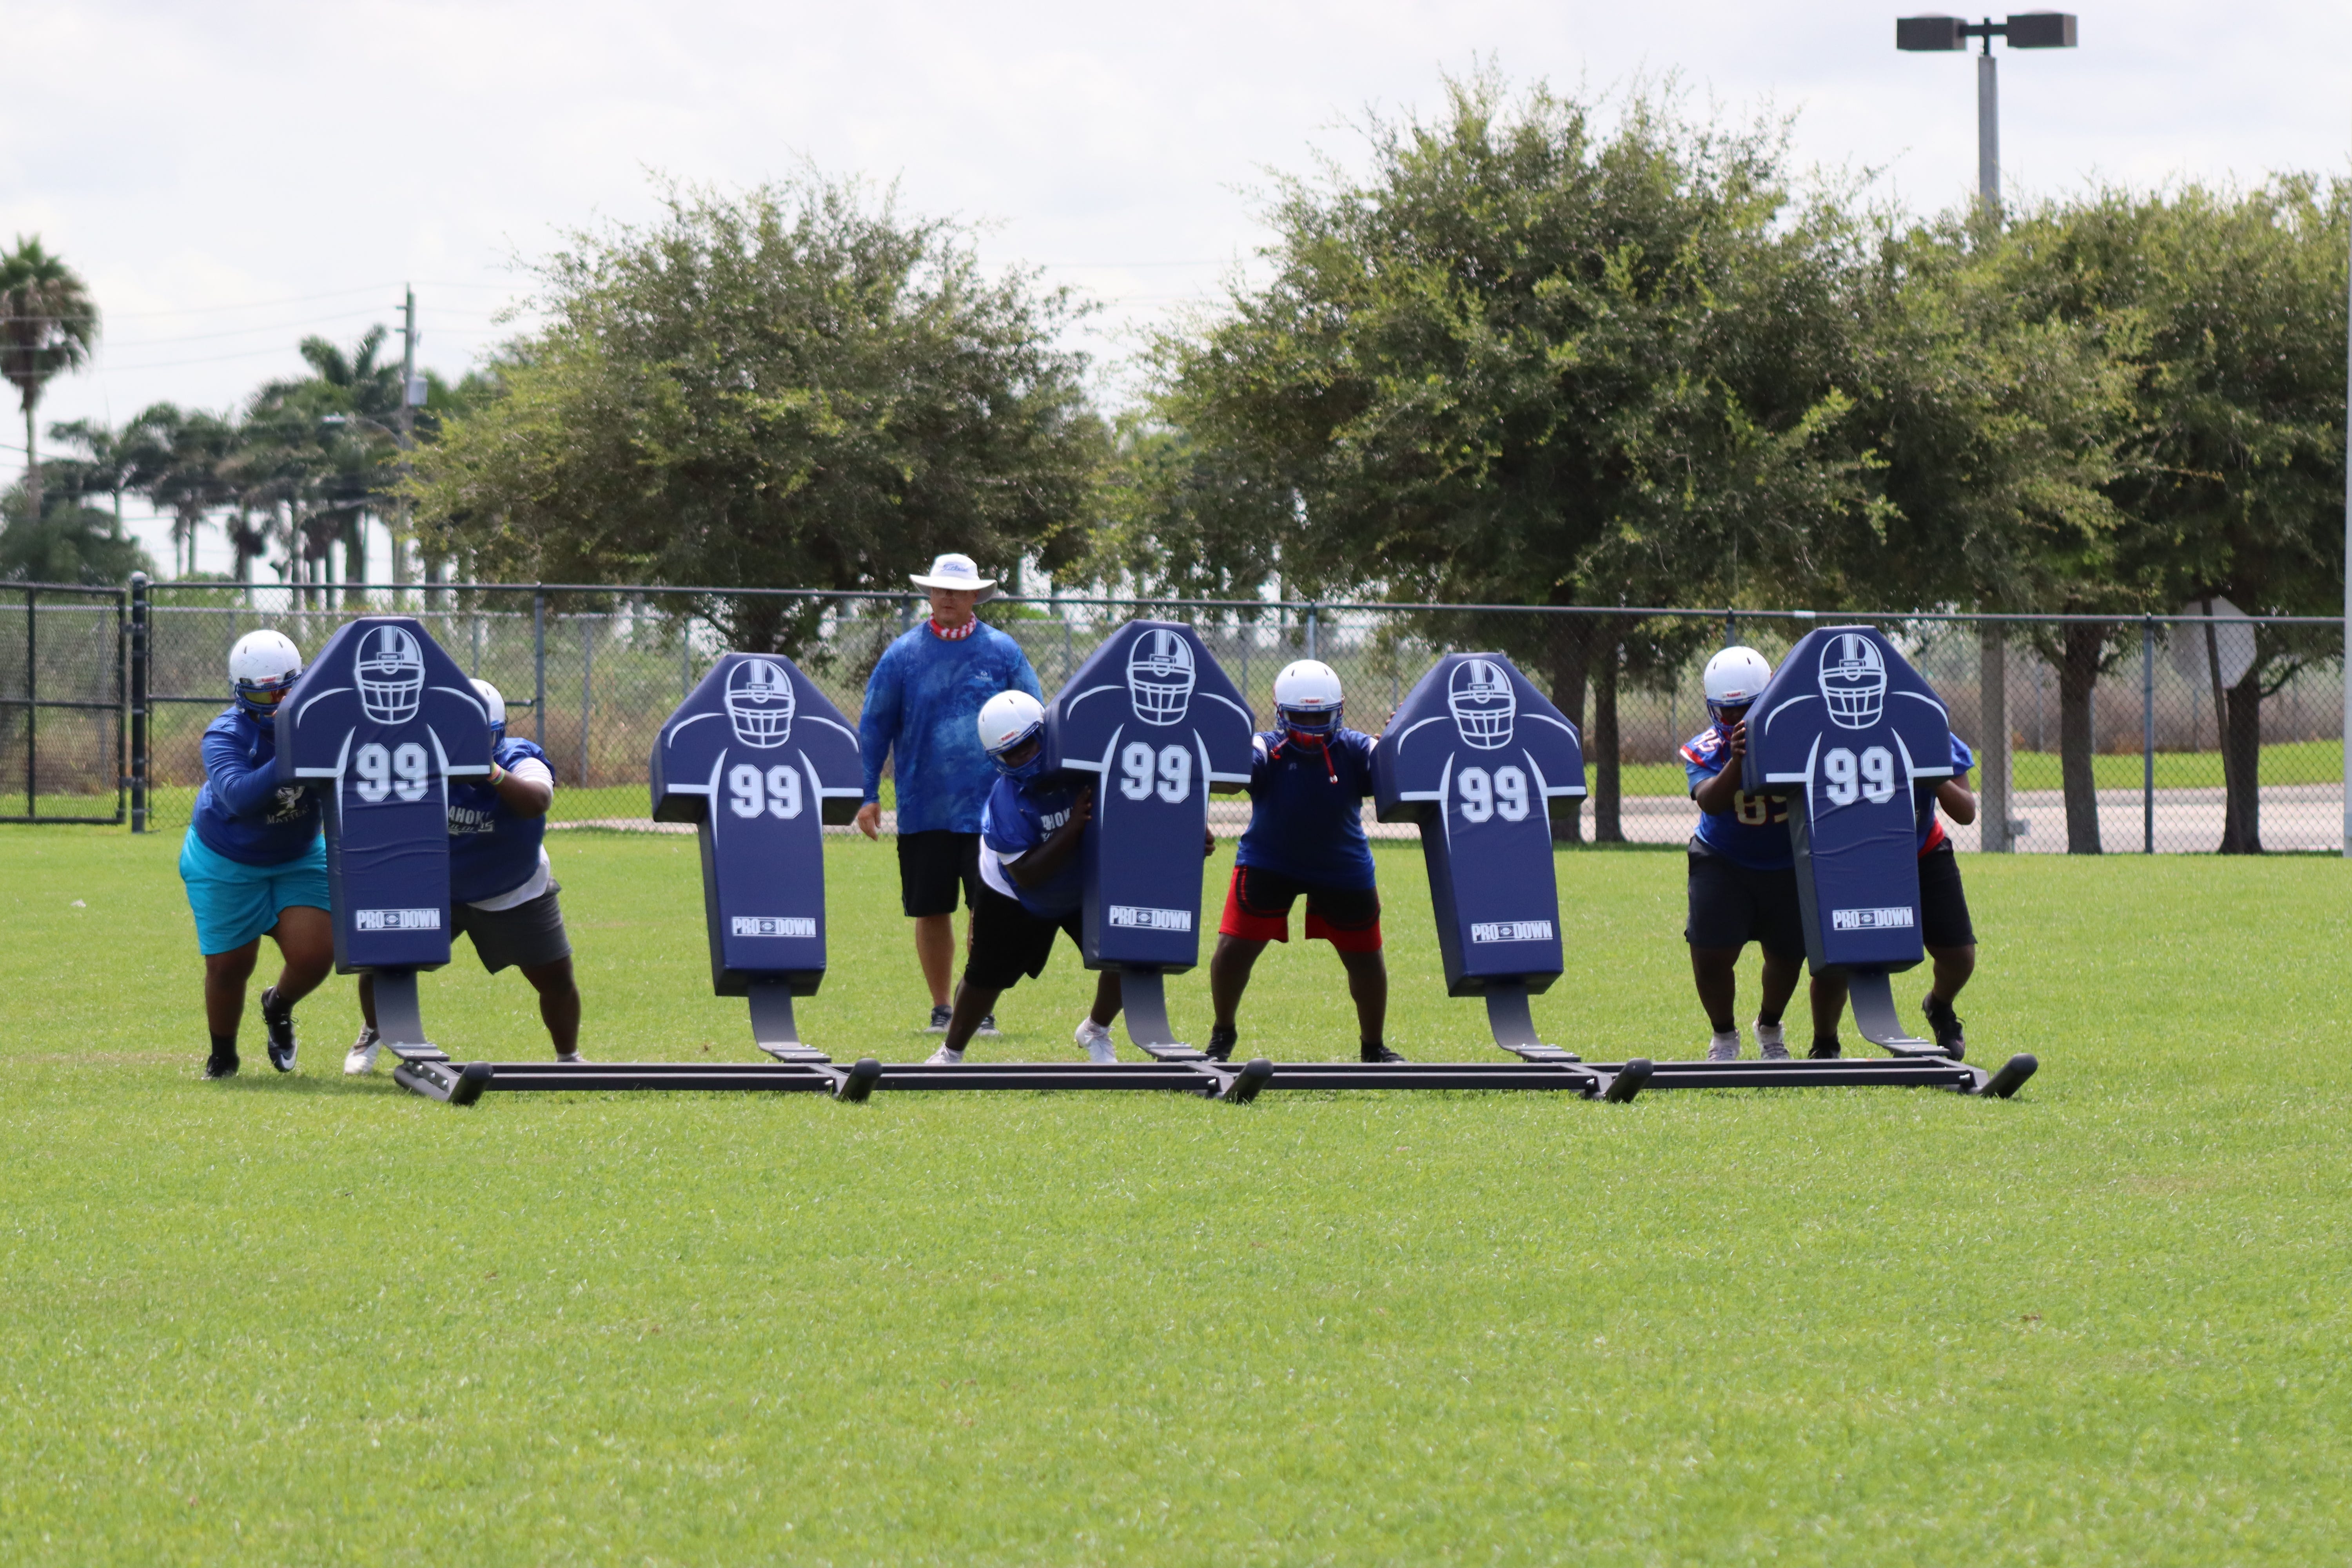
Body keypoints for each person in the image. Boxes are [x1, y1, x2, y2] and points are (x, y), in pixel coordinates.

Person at [346, 679, 584, 1072]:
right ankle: (375, 1029)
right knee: (384, 959)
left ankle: (568, 1057)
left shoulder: (517, 757)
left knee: (556, 977)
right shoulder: (413, 760)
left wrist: (489, 772)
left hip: (512, 887)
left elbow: (538, 801)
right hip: (434, 886)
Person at [855, 553, 1042, 1035]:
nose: (947, 599)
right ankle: (943, 1008)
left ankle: (976, 1004)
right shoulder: (903, 655)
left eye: (957, 592)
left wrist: (1038, 789)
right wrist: (867, 792)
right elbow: (874, 726)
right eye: (940, 590)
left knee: (990, 909)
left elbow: (1036, 719)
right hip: (923, 808)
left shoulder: (1003, 652)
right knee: (931, 908)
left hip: (994, 812)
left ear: (975, 596)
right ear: (929, 595)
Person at [1207, 659, 1403, 1065]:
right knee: (1232, 951)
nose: (1311, 726)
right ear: (1280, 711)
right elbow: (1240, 765)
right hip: (1269, 858)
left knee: (1366, 958)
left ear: (1340, 710)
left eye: (1320, 716)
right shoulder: (1265, 746)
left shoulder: (1354, 746)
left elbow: (1390, 764)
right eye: (1301, 716)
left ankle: (1374, 1047)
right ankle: (1222, 1033)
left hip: (1341, 863)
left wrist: (1401, 743)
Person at [928, 692, 1128, 1065]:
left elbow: (1135, 803)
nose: (1023, 758)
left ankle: (1096, 1031)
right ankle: (951, 1052)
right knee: (985, 978)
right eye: (1011, 754)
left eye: (1028, 745)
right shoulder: (1004, 802)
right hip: (1015, 894)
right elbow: (1028, 875)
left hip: (1081, 882)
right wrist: (1071, 829)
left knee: (1126, 956)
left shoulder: (1083, 765)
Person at [1680, 645, 1849, 1061]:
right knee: (1710, 951)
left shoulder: (1800, 739)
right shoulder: (1704, 748)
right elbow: (1711, 800)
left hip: (1788, 860)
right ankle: (1723, 1038)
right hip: (1722, 857)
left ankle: (1770, 1028)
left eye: (1747, 710)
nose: (1736, 721)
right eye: (1727, 712)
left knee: (1787, 955)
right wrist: (1738, 760)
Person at [178, 630, 335, 1078]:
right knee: (230, 966)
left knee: (315, 955)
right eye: (265, 693)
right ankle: (223, 1054)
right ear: (242, 694)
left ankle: (278, 1006)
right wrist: (291, 753)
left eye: (287, 688)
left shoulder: (322, 721)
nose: (279, 700)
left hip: (299, 853)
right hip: (227, 855)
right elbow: (240, 797)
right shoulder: (226, 734)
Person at [1915, 733, 1980, 1058]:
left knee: (1960, 958)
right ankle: (1825, 1044)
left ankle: (1939, 1007)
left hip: (1922, 849)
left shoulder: (1925, 723)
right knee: (1842, 959)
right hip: (1857, 855)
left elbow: (1967, 811)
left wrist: (1933, 776)